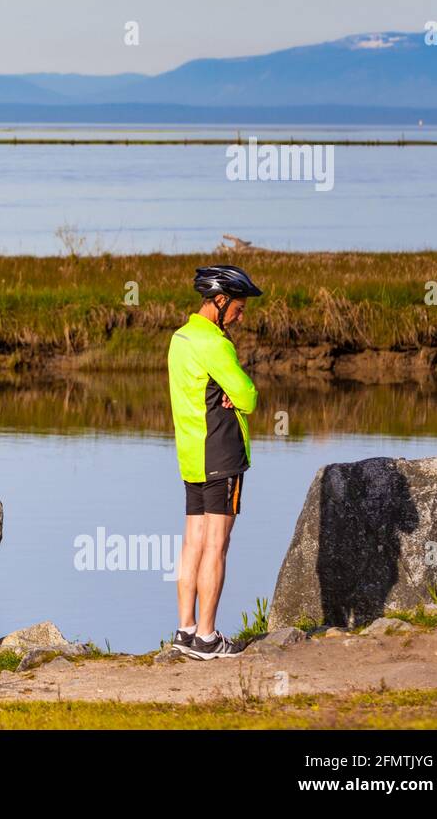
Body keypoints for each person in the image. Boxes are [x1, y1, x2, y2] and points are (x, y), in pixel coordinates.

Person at [167, 264, 262, 659]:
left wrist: (224, 390)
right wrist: (234, 390)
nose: (242, 316)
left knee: (193, 544)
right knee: (217, 546)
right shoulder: (215, 344)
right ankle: (207, 638)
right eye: (239, 308)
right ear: (220, 301)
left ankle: (185, 630)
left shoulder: (180, 338)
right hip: (222, 454)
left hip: (191, 455)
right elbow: (249, 397)